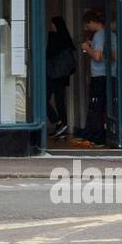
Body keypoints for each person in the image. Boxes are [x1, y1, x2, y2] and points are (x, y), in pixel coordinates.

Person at [75, 9, 110, 148]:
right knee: (103, 106)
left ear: (92, 22)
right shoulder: (110, 34)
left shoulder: (99, 35)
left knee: (96, 107)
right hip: (109, 75)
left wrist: (86, 47)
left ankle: (97, 138)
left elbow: (97, 56)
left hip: (99, 76)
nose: (86, 28)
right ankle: (97, 134)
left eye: (87, 25)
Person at [45, 16, 76, 138]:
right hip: (63, 76)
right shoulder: (66, 38)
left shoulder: (53, 37)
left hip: (52, 74)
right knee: (60, 102)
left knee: (43, 100)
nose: (50, 26)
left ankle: (58, 122)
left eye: (52, 24)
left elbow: (48, 56)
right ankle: (63, 126)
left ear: (55, 25)